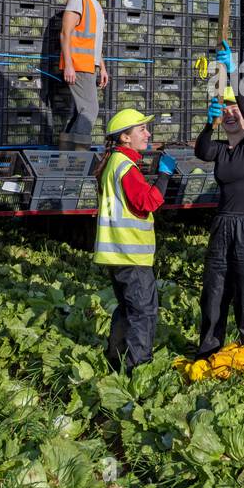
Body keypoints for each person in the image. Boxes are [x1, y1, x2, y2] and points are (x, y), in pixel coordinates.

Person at [193, 43, 244, 356]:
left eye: (233, 111)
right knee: (215, 290)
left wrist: (232, 71)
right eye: (224, 110)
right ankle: (208, 348)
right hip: (222, 226)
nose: (229, 113)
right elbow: (202, 150)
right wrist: (207, 124)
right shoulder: (221, 151)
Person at [95, 107, 178, 369]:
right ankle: (137, 368)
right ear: (125, 137)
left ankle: (115, 359)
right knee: (143, 313)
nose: (148, 133)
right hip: (132, 255)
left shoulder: (114, 162)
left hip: (117, 253)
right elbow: (148, 202)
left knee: (126, 309)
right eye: (141, 129)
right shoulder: (125, 166)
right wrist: (164, 176)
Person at [58, 0, 118, 150]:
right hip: (78, 65)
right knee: (90, 111)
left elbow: (94, 42)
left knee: (79, 112)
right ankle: (78, 156)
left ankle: (64, 157)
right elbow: (65, 34)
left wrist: (103, 67)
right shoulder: (78, 1)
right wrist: (68, 65)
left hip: (89, 66)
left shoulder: (97, 7)